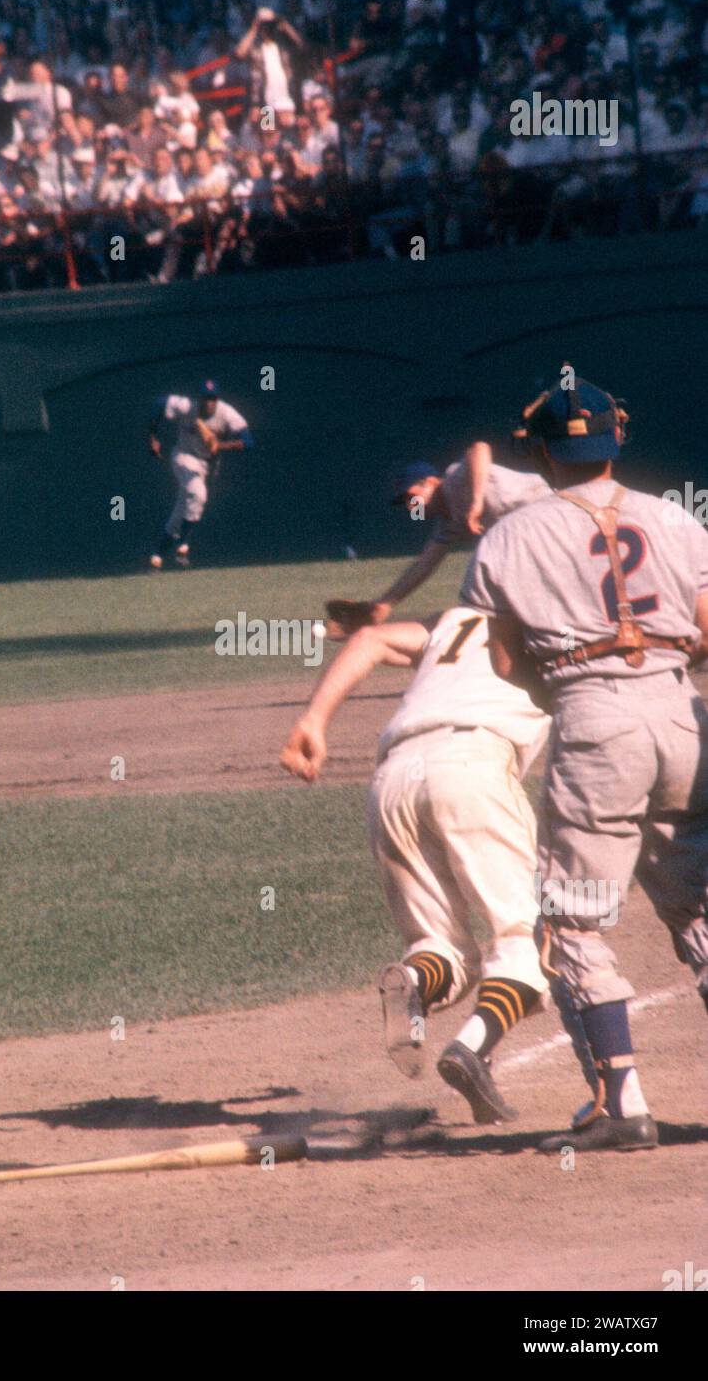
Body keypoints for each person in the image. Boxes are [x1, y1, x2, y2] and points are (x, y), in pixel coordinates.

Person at [462, 372, 708, 1151]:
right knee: (698, 904)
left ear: (535, 450)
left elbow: (502, 661)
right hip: (681, 716)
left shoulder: (508, 534)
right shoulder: (673, 519)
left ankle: (621, 1104)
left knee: (573, 917)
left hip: (593, 719)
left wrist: (574, 689)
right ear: (617, 438)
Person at [280, 607, 551, 1124]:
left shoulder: (457, 617)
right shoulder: (565, 612)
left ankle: (413, 979)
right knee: (526, 941)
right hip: (473, 766)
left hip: (393, 776)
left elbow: (372, 638)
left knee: (442, 949)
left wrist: (313, 719)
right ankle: (471, 1048)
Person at [365, 443, 550, 627]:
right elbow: (424, 564)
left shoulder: (454, 478)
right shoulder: (448, 524)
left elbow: (479, 448)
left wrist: (476, 502)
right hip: (541, 533)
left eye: (411, 496)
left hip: (557, 503)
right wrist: (386, 603)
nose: (410, 506)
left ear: (430, 482)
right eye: (405, 501)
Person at [148, 379, 252, 570]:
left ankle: (156, 557)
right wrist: (153, 436)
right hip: (183, 457)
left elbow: (248, 441)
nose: (209, 402)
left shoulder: (226, 413)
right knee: (198, 494)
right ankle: (183, 547)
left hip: (208, 466)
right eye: (205, 398)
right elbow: (159, 403)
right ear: (199, 398)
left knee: (182, 511)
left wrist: (220, 445)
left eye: (212, 398)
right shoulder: (187, 407)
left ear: (217, 399)